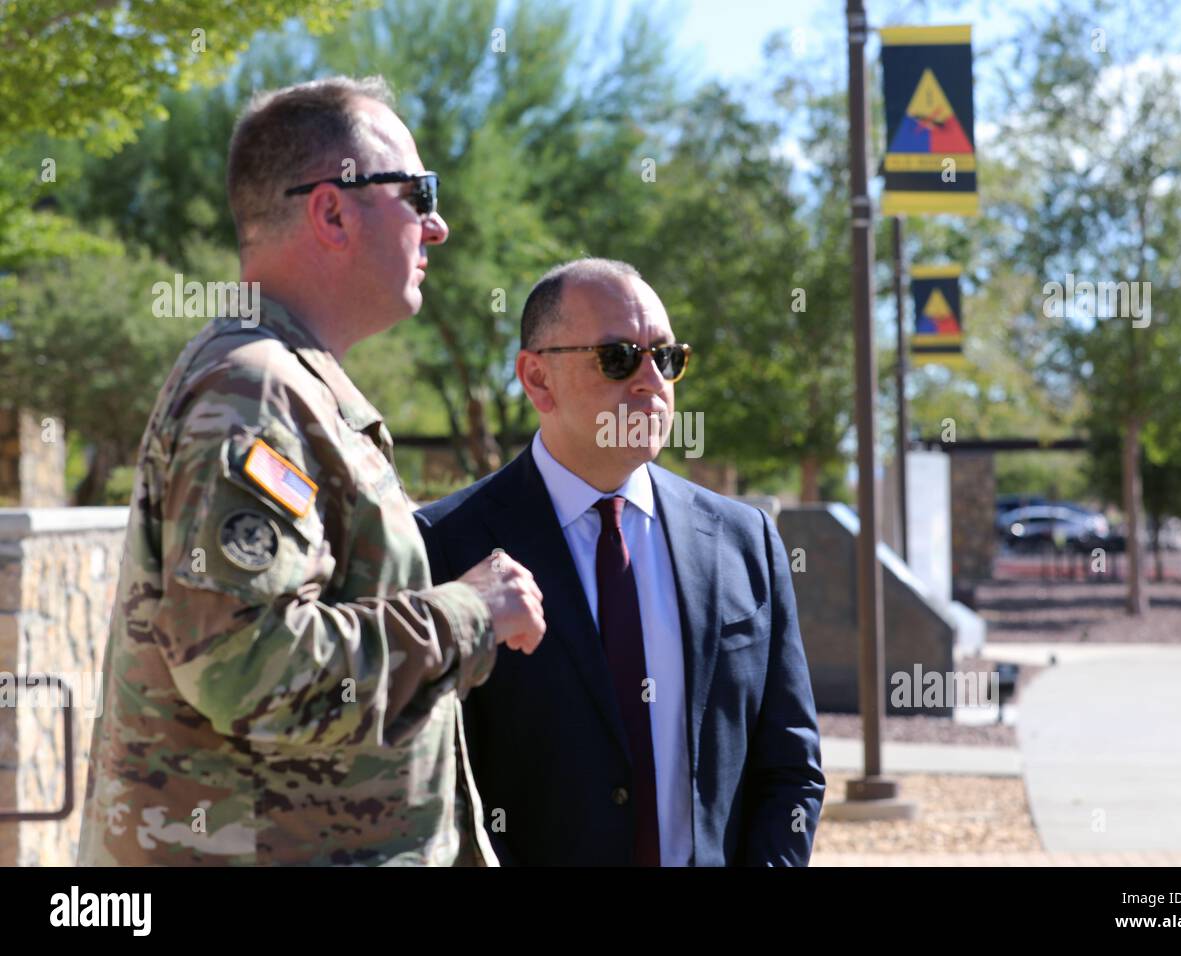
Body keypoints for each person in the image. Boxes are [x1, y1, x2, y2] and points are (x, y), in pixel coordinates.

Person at [77, 76, 545, 867]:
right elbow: (245, 666)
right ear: (331, 210)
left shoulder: (286, 383)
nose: (439, 226)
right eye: (418, 193)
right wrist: (470, 613)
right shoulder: (253, 386)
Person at [415, 258, 824, 866]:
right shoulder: (443, 545)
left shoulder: (744, 540)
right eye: (617, 357)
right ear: (537, 379)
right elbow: (426, 785)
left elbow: (790, 766)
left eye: (666, 358)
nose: (649, 380)